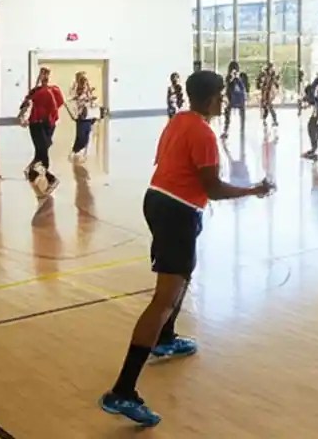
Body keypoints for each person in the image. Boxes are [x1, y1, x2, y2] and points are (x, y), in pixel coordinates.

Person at [99, 71, 274, 427]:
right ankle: (122, 390)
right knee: (164, 298)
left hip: (158, 200)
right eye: (221, 96)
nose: (223, 101)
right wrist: (254, 189)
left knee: (182, 274)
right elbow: (213, 189)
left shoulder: (179, 120)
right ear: (211, 99)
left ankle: (165, 338)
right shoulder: (204, 133)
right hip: (176, 211)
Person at [20, 67, 65, 191]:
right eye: (43, 75)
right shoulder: (36, 91)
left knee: (42, 151)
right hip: (39, 123)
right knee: (41, 150)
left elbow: (57, 105)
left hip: (43, 123)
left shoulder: (49, 91)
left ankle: (48, 177)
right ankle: (33, 173)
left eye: (46, 75)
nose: (45, 77)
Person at [68, 71, 100, 159]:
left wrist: (90, 97)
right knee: (81, 137)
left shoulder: (88, 90)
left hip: (89, 116)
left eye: (85, 80)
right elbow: (72, 99)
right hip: (81, 117)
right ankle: (75, 152)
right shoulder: (76, 90)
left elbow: (92, 99)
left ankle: (79, 153)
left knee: (86, 136)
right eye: (82, 79)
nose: (84, 82)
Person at [221, 61, 248, 139]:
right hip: (231, 98)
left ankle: (242, 129)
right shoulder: (228, 77)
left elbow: (243, 87)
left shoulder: (242, 76)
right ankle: (226, 130)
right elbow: (227, 85)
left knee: (242, 113)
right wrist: (232, 78)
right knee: (227, 114)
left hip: (239, 98)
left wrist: (238, 78)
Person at [257, 62, 280, 129]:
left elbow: (275, 82)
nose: (272, 69)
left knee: (269, 107)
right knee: (267, 107)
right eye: (271, 68)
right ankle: (266, 119)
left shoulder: (272, 75)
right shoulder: (265, 75)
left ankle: (272, 120)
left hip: (269, 93)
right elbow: (262, 83)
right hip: (265, 93)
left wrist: (276, 84)